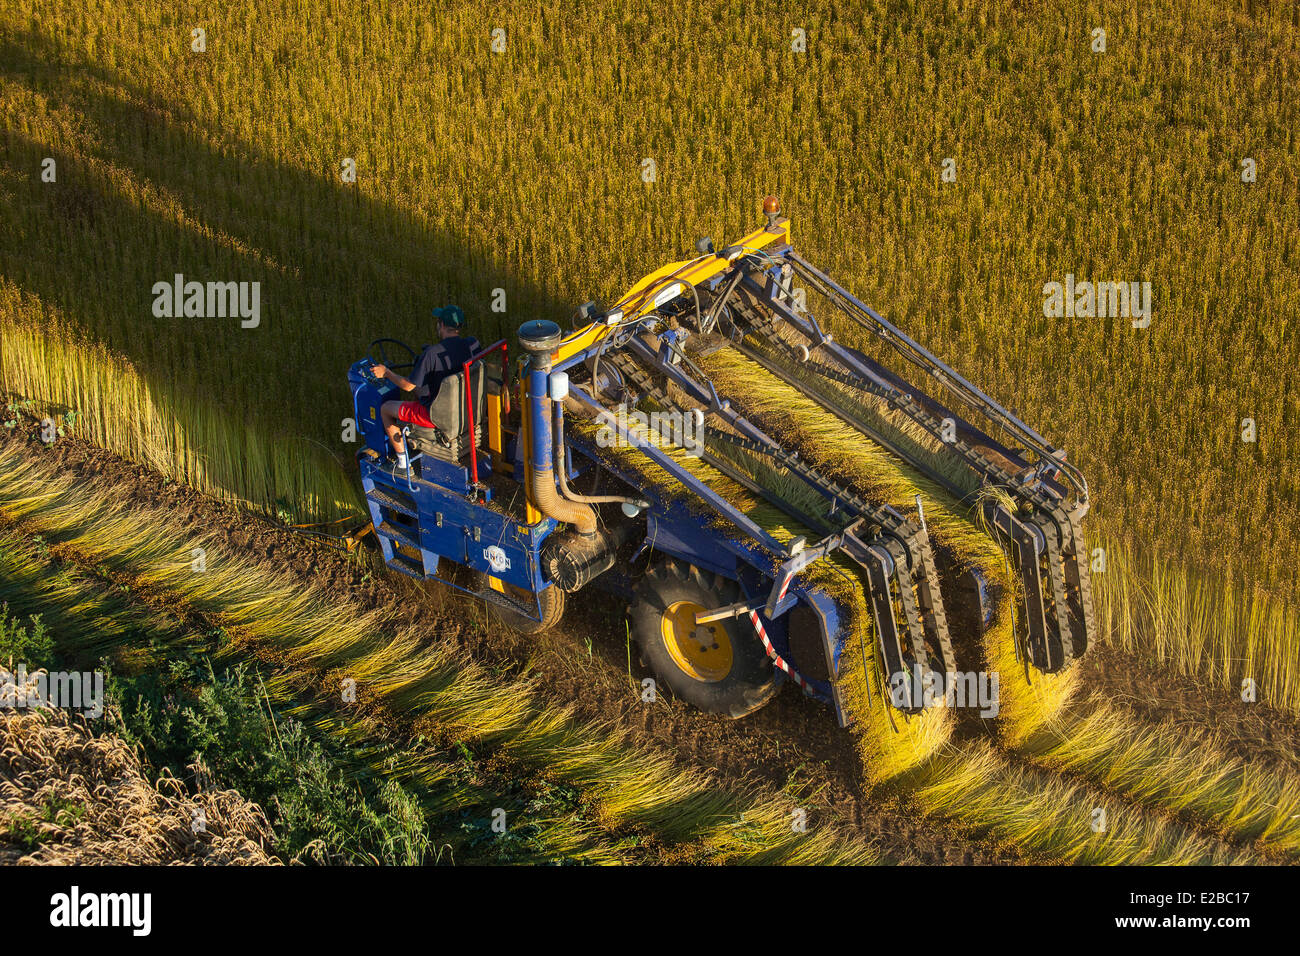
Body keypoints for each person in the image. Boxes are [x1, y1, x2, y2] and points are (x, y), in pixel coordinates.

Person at [370, 305, 481, 469]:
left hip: (435, 416)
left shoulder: (431, 354)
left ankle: (402, 463)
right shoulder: (471, 345)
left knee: (385, 409)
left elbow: (408, 386)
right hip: (465, 408)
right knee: (419, 390)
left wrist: (386, 373)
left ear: (441, 324)